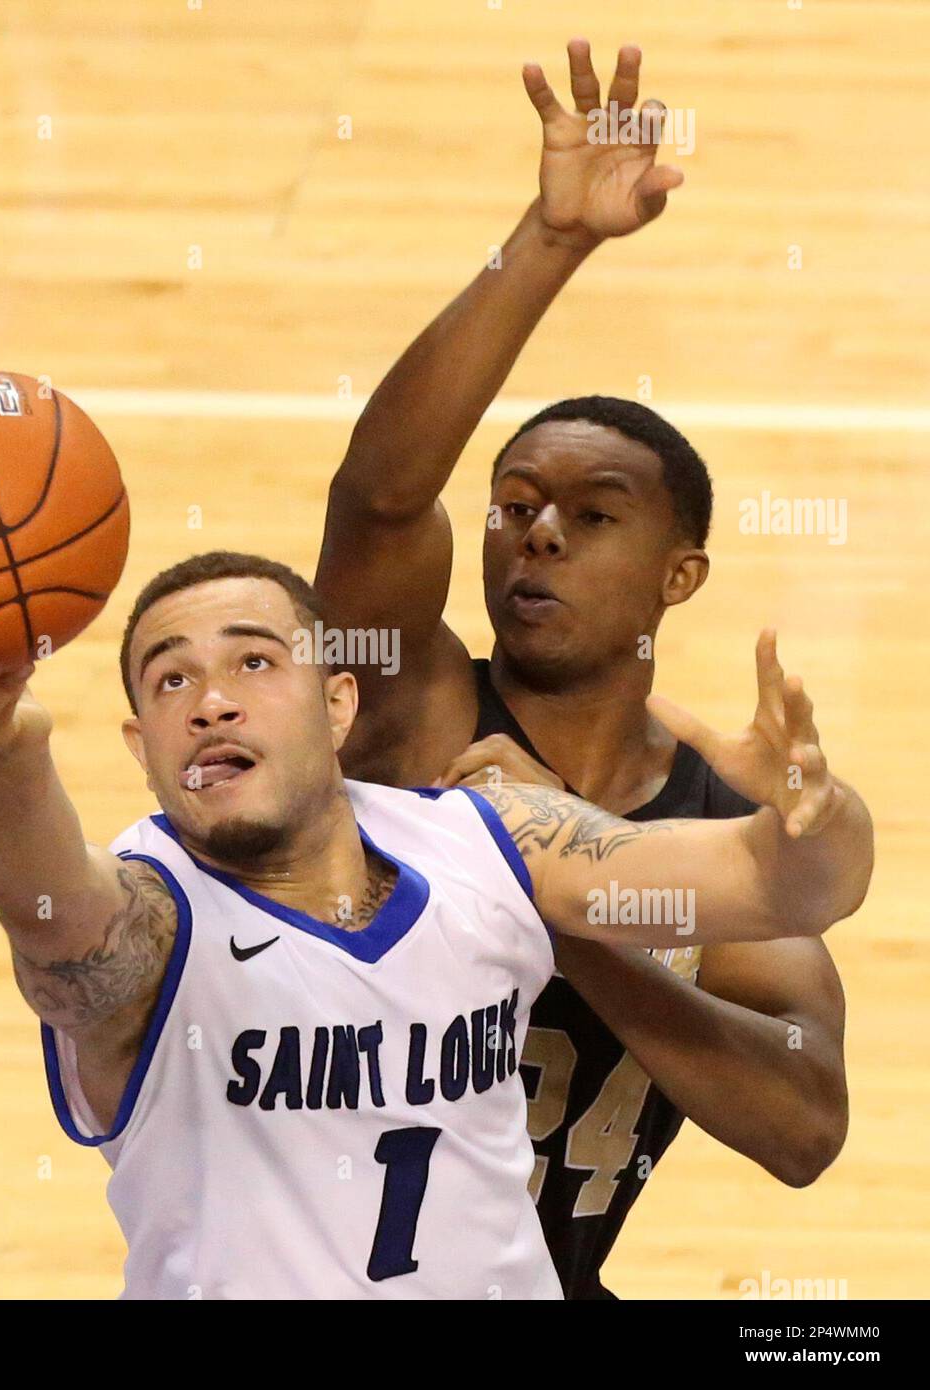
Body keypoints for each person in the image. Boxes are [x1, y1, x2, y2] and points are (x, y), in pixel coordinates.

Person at [0, 549, 872, 1299]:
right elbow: (40, 899)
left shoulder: (494, 837)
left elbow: (782, 884)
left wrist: (816, 817)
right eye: (171, 680)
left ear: (338, 701)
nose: (213, 702)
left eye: (255, 664)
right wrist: (6, 748)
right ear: (142, 742)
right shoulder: (153, 914)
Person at [314, 39, 853, 1297]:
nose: (539, 530)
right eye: (514, 505)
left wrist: (571, 907)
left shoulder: (717, 842)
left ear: (681, 576)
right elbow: (380, 498)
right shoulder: (413, 713)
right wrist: (549, 239)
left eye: (594, 512)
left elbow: (806, 1128)